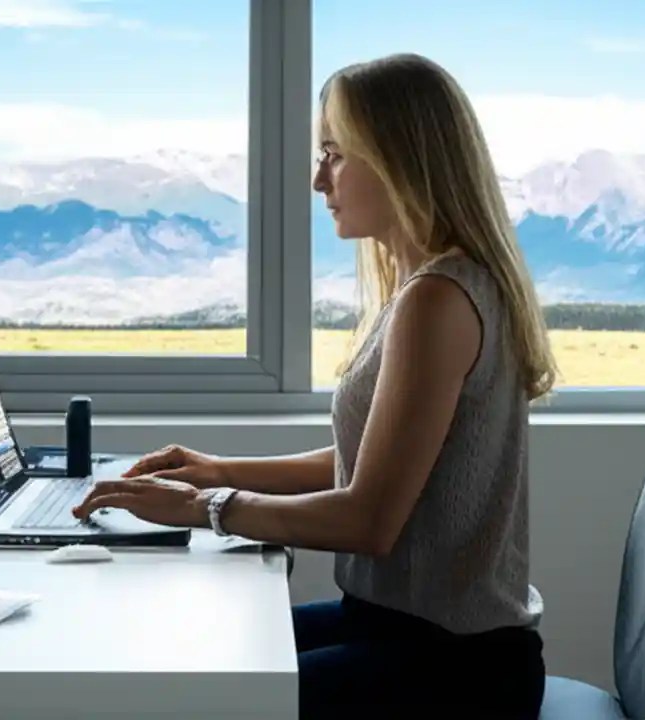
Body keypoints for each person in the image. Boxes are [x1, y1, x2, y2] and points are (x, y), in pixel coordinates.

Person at [74, 52, 558, 718]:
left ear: (398, 158)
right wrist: (216, 470)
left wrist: (202, 507)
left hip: (453, 670)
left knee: (184, 698)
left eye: (334, 153)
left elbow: (369, 519)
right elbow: (383, 464)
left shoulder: (439, 300)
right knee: (184, 659)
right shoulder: (439, 287)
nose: (317, 179)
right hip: (398, 631)